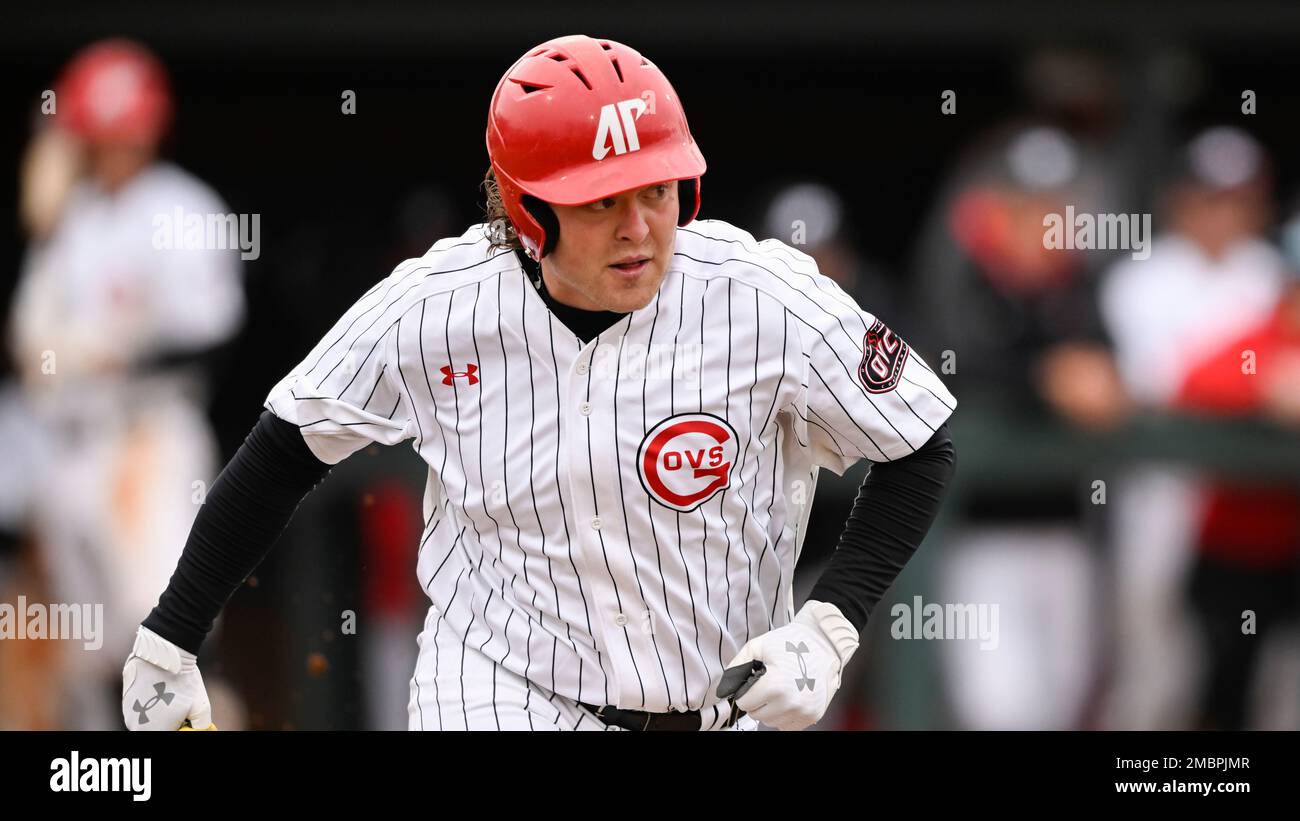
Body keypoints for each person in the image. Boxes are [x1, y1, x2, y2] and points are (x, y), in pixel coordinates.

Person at [122, 34, 957, 732]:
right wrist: (171, 638)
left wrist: (828, 625)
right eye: (602, 203)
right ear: (527, 210)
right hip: (503, 688)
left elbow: (920, 446)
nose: (639, 229)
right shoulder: (435, 305)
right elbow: (284, 450)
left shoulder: (761, 294)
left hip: (722, 702)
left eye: (657, 191)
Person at [9, 39, 245, 729]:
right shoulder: (69, 221)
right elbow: (28, 347)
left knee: (169, 636)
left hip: (145, 438)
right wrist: (44, 218)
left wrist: (107, 354)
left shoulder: (181, 207)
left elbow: (208, 339)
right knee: (88, 659)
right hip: (67, 448)